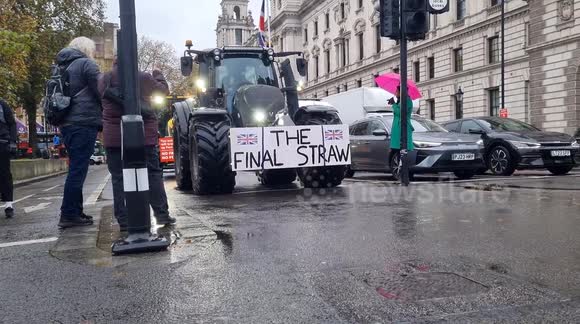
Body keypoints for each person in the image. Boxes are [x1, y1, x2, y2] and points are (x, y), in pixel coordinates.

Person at [98, 62, 175, 232]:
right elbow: (163, 91)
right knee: (152, 173)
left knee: (118, 177)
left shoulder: (104, 79)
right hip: (143, 134)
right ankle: (162, 213)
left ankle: (124, 220)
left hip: (114, 136)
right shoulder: (143, 77)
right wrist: (158, 74)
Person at [56, 37, 102, 228]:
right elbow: (102, 89)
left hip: (66, 122)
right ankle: (69, 213)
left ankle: (75, 211)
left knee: (76, 167)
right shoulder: (86, 64)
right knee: (78, 170)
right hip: (83, 122)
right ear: (87, 49)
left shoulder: (61, 66)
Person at [0, 99, 17, 218]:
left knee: (5, 173)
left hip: (2, 142)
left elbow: (12, 123)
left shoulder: (2, 104)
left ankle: (8, 205)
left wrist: (12, 142)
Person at [389, 86, 415, 158]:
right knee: (397, 151)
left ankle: (401, 166)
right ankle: (398, 166)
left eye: (397, 91)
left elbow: (400, 113)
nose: (395, 93)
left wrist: (394, 104)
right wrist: (396, 103)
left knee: (401, 150)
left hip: (402, 127)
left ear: (401, 92)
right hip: (398, 128)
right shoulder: (402, 100)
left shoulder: (407, 100)